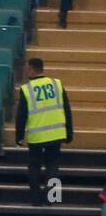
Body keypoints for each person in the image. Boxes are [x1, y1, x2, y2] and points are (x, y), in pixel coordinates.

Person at [16, 57, 73, 207]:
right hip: (56, 133)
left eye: (27, 68)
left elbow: (21, 115)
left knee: (34, 167)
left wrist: (19, 136)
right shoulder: (57, 84)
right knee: (53, 166)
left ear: (32, 70)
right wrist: (69, 133)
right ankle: (52, 199)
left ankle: (35, 199)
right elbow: (67, 110)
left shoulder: (27, 89)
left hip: (37, 135)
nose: (26, 71)